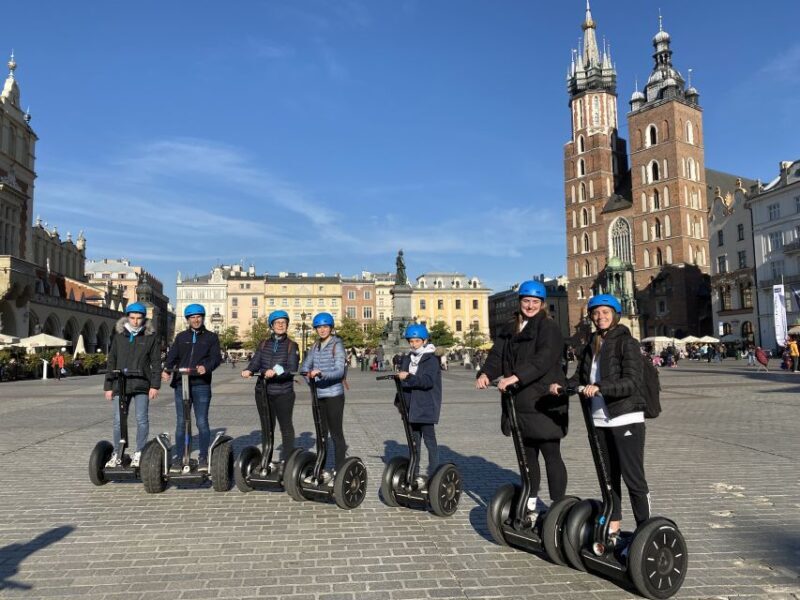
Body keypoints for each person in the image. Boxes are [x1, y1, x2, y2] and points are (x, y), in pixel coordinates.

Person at [552, 294, 649, 545]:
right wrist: (562, 386)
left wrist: (600, 387)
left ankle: (645, 530)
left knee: (633, 477)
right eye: (596, 313)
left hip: (625, 418)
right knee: (608, 477)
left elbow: (632, 382)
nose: (600, 317)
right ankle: (613, 526)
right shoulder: (591, 345)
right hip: (598, 420)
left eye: (605, 312)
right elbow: (580, 378)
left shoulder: (627, 343)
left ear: (615, 315)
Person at [477, 280, 568, 516]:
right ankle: (530, 502)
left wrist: (516, 377)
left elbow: (543, 359)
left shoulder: (548, 328)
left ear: (542, 304)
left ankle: (558, 507)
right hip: (518, 401)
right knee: (527, 457)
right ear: (520, 302)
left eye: (535, 302)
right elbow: (497, 355)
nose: (530, 305)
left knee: (551, 454)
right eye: (526, 301)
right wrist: (486, 373)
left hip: (544, 401)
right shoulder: (510, 328)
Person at [162, 304, 222, 471]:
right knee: (182, 422)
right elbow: (172, 356)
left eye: (198, 317)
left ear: (202, 318)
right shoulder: (181, 337)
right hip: (181, 383)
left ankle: (203, 457)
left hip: (201, 384)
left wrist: (206, 367)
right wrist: (167, 370)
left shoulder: (211, 337)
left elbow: (216, 358)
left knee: (201, 421)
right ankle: (180, 457)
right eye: (192, 317)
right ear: (188, 320)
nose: (196, 320)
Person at [103, 302, 161, 467]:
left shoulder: (150, 337)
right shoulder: (119, 336)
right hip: (120, 384)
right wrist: (108, 386)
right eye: (132, 318)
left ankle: (139, 452)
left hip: (142, 383)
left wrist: (155, 385)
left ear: (144, 319)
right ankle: (118, 452)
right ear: (127, 317)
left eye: (139, 318)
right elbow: (112, 360)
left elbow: (156, 362)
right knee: (118, 420)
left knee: (141, 419)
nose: (135, 321)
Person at [241, 310, 300, 463]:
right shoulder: (264, 344)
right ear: (272, 326)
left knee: (286, 427)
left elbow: (292, 368)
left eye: (283, 322)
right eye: (277, 322)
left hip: (283, 393)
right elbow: (256, 361)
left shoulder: (292, 346)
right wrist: (249, 370)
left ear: (287, 325)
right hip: (263, 392)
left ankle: (288, 461)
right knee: (267, 427)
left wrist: (275, 371)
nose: (280, 325)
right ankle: (266, 460)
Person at [301, 312, 348, 481]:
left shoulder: (337, 345)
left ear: (331, 328)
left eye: (325, 327)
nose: (322, 330)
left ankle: (339, 470)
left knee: (336, 434)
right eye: (319, 327)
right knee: (321, 434)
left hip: (334, 395)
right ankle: (320, 469)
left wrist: (321, 374)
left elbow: (339, 371)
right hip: (318, 395)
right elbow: (304, 368)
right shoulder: (315, 346)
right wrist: (311, 381)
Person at [397, 324, 442, 487]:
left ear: (424, 341)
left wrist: (409, 377)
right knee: (414, 443)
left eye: (417, 341)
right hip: (410, 406)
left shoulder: (431, 359)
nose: (414, 344)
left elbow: (427, 381)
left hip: (425, 405)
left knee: (430, 442)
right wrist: (399, 401)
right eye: (411, 341)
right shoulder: (407, 358)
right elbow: (402, 383)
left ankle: (434, 475)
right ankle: (413, 474)